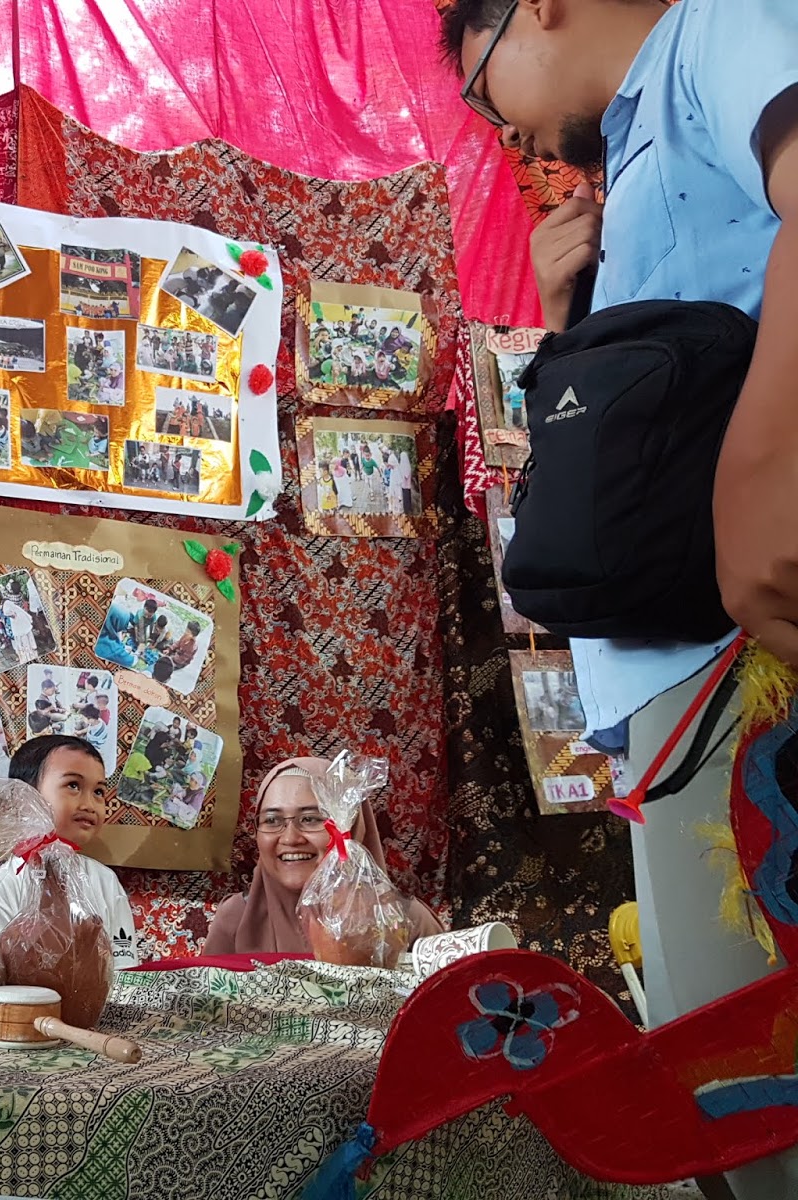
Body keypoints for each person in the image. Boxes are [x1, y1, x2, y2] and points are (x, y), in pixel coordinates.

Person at [445, 15, 798, 1193]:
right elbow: (651, 416)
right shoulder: (647, 130)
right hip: (677, 685)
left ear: (534, 5)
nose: (496, 125)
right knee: (724, 1099)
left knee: (758, 1108)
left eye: (478, 76)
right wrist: (569, 319)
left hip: (736, 663)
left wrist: (756, 477)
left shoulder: (720, 25)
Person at [205, 757, 443, 957]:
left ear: (351, 828)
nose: (290, 838)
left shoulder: (405, 920)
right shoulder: (235, 918)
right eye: (272, 820)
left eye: (310, 819)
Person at [0, 735, 138, 969]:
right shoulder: (8, 883)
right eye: (73, 786)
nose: (89, 805)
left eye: (99, 792)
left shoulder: (105, 881)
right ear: (23, 797)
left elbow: (125, 967)